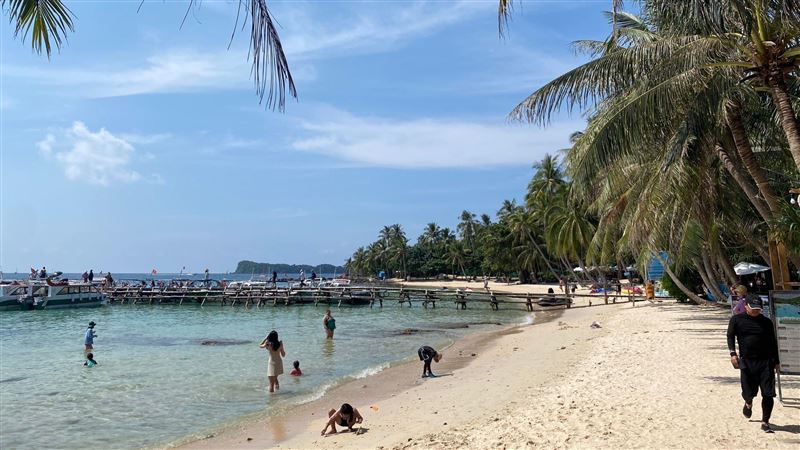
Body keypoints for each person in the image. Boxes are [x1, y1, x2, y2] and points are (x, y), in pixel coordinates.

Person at [727, 294, 780, 433]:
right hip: (747, 361)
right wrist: (733, 353)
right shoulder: (736, 320)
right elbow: (730, 336)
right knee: (748, 392)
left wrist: (776, 361)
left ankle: (765, 422)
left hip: (766, 361)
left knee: (768, 394)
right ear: (746, 307)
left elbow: (773, 342)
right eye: (753, 308)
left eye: (758, 309)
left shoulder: (766, 322)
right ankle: (748, 402)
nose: (756, 311)